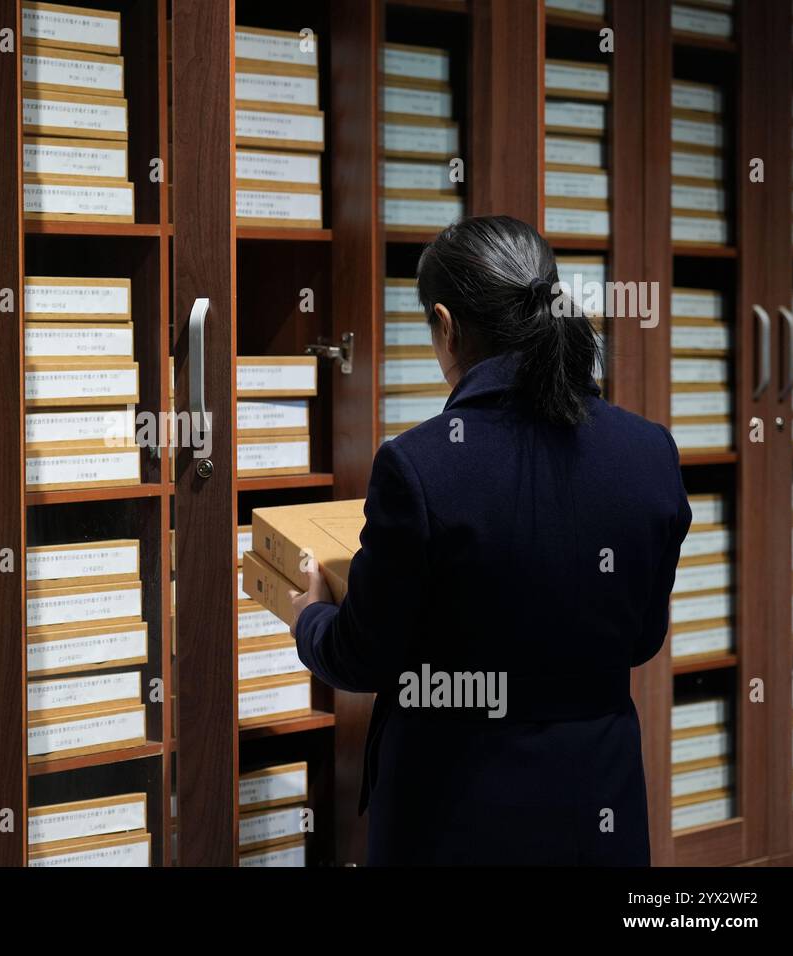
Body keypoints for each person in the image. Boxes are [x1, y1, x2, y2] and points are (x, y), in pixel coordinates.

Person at [290, 215, 690, 865]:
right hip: (598, 800)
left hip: (455, 810)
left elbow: (361, 657)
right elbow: (642, 638)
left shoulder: (419, 467)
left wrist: (308, 614)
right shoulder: (650, 451)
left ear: (446, 326)